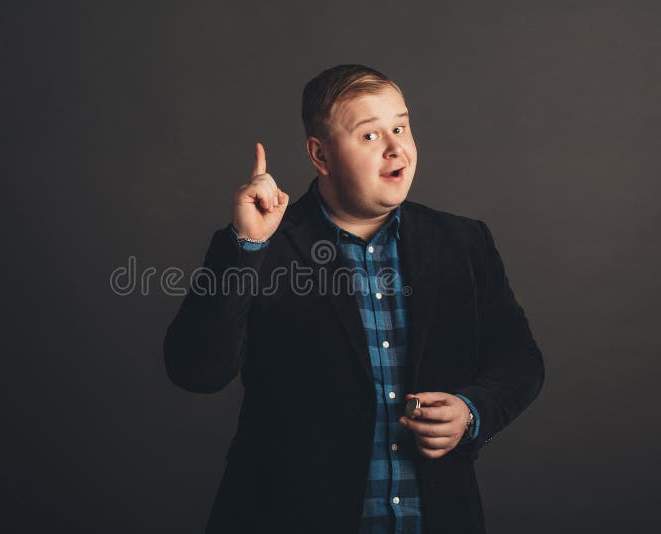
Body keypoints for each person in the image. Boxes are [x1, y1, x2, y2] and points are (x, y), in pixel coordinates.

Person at [164, 64, 544, 534]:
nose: (396, 147)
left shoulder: (463, 243)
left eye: (401, 127)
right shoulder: (265, 242)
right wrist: (247, 249)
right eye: (369, 136)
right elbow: (196, 371)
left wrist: (472, 410)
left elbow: (521, 359)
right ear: (320, 156)